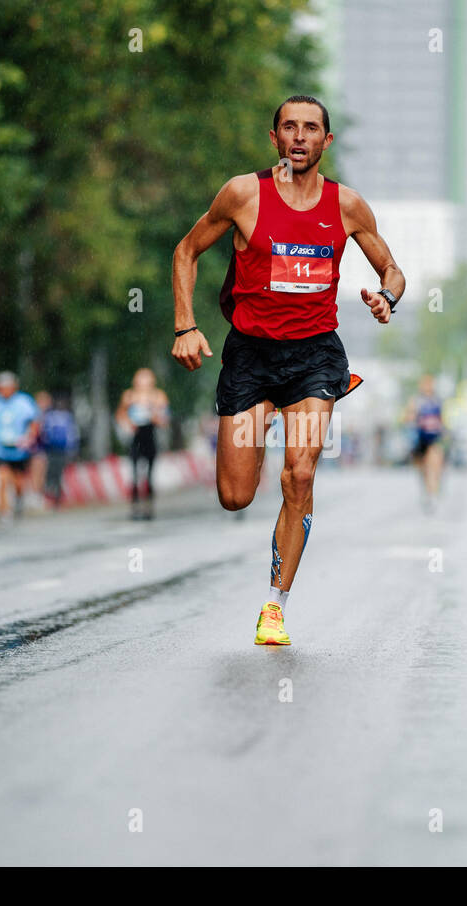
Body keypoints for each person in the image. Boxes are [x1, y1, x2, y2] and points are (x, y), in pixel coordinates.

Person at [170, 94, 405, 646]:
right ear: (274, 138)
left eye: (311, 129)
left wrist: (388, 299)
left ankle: (275, 605)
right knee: (236, 495)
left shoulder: (347, 206)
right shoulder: (243, 194)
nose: (300, 137)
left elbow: (390, 268)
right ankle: (261, 417)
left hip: (314, 359)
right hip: (251, 357)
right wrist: (185, 325)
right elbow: (186, 251)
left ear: (327, 141)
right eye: (289, 128)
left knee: (300, 473)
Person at [0, 371, 40, 523]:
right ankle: (5, 511)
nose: (4, 390)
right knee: (3, 479)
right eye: (1, 387)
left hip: (19, 450)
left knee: (18, 482)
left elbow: (34, 422)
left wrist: (30, 438)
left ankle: (19, 499)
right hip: (0, 449)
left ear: (14, 387)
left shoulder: (24, 402)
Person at [116, 369, 170, 520]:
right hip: (135, 437)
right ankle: (135, 507)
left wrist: (154, 415)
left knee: (149, 475)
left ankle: (148, 507)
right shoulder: (129, 396)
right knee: (134, 475)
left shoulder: (158, 396)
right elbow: (120, 414)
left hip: (150, 435)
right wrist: (128, 424)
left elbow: (164, 420)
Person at [405, 374, 446, 511]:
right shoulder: (416, 400)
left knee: (434, 467)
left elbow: (443, 419)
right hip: (420, 439)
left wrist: (444, 431)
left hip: (434, 439)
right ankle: (427, 490)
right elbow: (408, 418)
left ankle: (433, 494)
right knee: (423, 469)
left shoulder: (437, 400)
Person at [39, 393, 78, 507]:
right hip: (51, 449)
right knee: (51, 473)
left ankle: (57, 497)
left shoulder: (65, 417)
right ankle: (52, 496)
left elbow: (72, 434)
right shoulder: (49, 416)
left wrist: (72, 448)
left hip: (60, 449)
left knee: (58, 473)